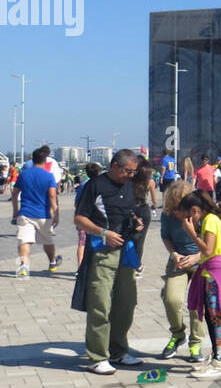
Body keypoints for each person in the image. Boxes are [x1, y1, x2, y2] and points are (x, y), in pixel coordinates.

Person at [73, 149, 146, 375]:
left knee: (127, 303)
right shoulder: (95, 185)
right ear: (115, 165)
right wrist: (103, 233)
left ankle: (118, 351)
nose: (131, 176)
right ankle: (97, 356)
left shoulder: (130, 185)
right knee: (101, 303)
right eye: (127, 171)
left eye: (134, 172)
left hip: (126, 251)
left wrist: (136, 222)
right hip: (103, 251)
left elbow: (127, 212)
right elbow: (79, 218)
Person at [174, 189, 221, 377]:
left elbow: (208, 250)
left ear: (195, 210)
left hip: (215, 273)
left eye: (189, 215)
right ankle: (216, 358)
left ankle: (218, 362)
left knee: (216, 317)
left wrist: (192, 233)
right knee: (214, 316)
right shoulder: (215, 218)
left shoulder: (210, 220)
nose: (189, 220)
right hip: (213, 271)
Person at [12, 147, 61, 278]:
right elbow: (52, 196)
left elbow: (15, 193)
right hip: (43, 214)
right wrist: (56, 213)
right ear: (45, 160)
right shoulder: (49, 176)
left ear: (32, 159)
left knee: (24, 241)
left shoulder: (24, 174)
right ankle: (52, 263)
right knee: (47, 241)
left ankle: (23, 266)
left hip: (25, 212)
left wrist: (15, 211)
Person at [74, 161, 101, 267]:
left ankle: (80, 267)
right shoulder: (101, 185)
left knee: (82, 243)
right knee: (98, 242)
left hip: (83, 218)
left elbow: (77, 203)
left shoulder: (82, 185)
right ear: (99, 172)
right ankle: (95, 266)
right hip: (97, 220)